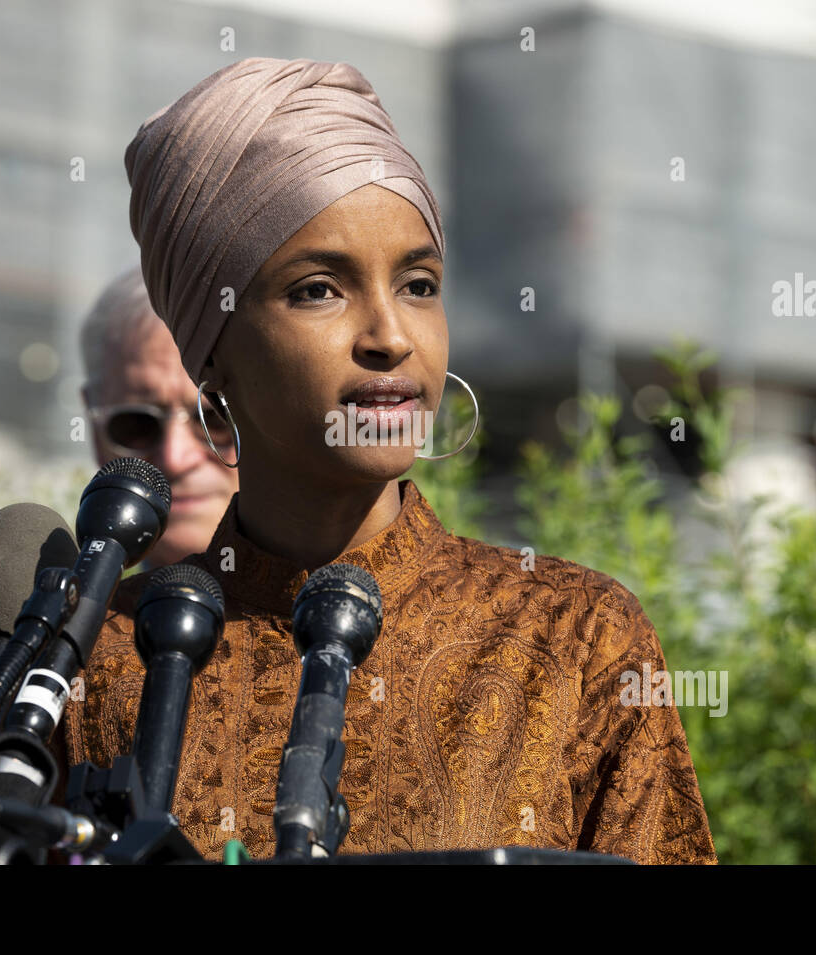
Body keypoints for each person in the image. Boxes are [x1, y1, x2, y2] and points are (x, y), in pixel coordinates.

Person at [58, 57, 718, 864]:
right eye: (317, 289)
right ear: (213, 352)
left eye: (417, 282)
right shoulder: (103, 659)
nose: (391, 336)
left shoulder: (576, 636)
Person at [78, 266, 239, 569]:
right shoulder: (76, 614)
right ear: (95, 430)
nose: (175, 459)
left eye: (215, 419)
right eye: (137, 425)